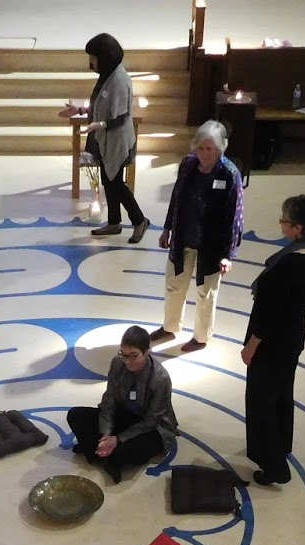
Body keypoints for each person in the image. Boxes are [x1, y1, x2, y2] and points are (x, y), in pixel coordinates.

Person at [242, 194, 305, 487]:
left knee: (261, 402)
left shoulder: (289, 265)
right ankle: (281, 445)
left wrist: (252, 345)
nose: (281, 223)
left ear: (297, 228)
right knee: (281, 395)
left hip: (272, 344)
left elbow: (270, 312)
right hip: (291, 338)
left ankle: (274, 465)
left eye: (284, 220)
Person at [149, 121, 245, 354]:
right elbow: (177, 197)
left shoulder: (229, 174)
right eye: (200, 148)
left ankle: (201, 337)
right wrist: (167, 229)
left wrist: (228, 254)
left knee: (206, 293)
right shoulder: (188, 164)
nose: (204, 154)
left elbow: (235, 216)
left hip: (212, 246)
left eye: (209, 149)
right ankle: (170, 326)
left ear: (220, 148)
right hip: (184, 237)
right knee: (174, 284)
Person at [66, 324, 177, 483]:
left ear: (146, 352)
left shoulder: (160, 378)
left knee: (138, 449)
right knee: (76, 415)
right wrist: (106, 434)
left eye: (133, 356)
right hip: (123, 415)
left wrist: (118, 439)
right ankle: (105, 451)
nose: (127, 361)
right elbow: (109, 401)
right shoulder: (117, 363)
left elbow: (151, 421)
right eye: (123, 355)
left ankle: (102, 452)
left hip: (151, 427)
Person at [80, 33, 149, 242]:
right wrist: (81, 110)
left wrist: (99, 125)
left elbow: (121, 116)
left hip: (118, 142)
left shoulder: (119, 80)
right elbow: (100, 104)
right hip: (106, 141)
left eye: (94, 57)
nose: (91, 61)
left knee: (116, 183)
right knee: (108, 181)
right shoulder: (107, 74)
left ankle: (139, 220)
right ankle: (114, 222)